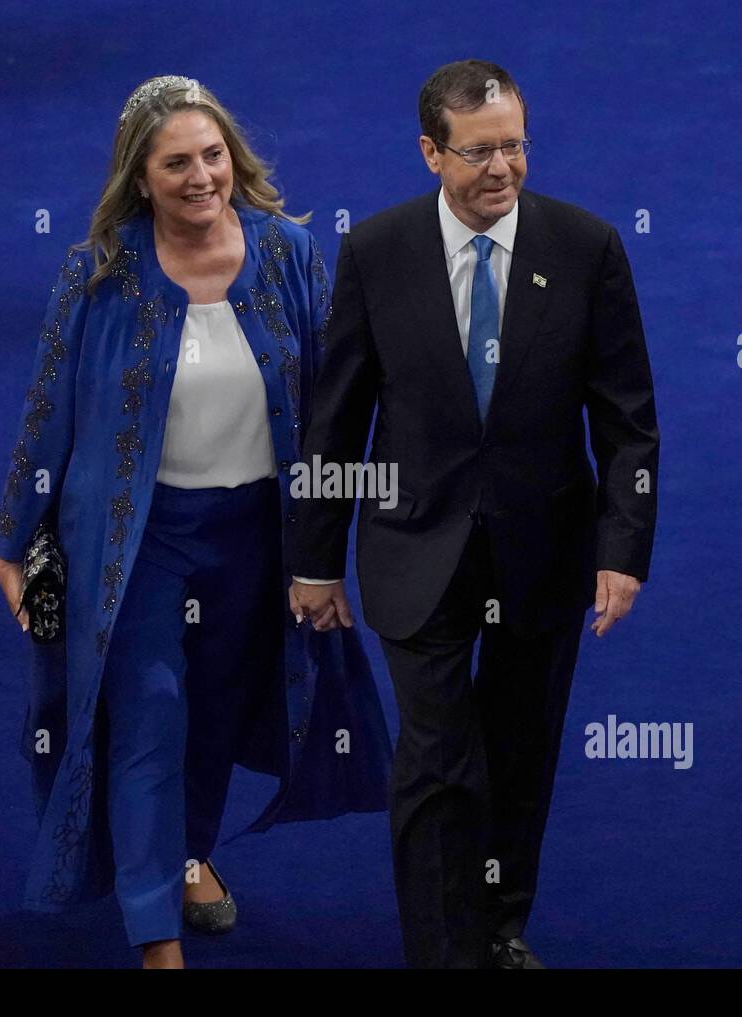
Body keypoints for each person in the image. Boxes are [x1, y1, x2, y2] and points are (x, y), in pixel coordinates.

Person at [0, 75, 390, 969]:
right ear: (141, 178)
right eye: (177, 162)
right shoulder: (98, 271)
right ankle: (155, 936)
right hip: (140, 542)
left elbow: (332, 402)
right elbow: (47, 410)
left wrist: (328, 554)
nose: (201, 176)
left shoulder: (288, 254)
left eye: (213, 155)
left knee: (212, 715)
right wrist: (14, 540)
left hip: (258, 534)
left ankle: (189, 850)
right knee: (151, 717)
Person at [287, 59, 661, 969]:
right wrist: (314, 558)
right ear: (430, 152)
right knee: (437, 755)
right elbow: (336, 417)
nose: (502, 168)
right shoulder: (376, 252)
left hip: (544, 548)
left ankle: (499, 927)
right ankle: (443, 951)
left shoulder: (587, 247)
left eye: (515, 146)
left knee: (520, 751)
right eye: (480, 151)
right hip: (415, 545)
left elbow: (627, 419)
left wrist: (625, 549)